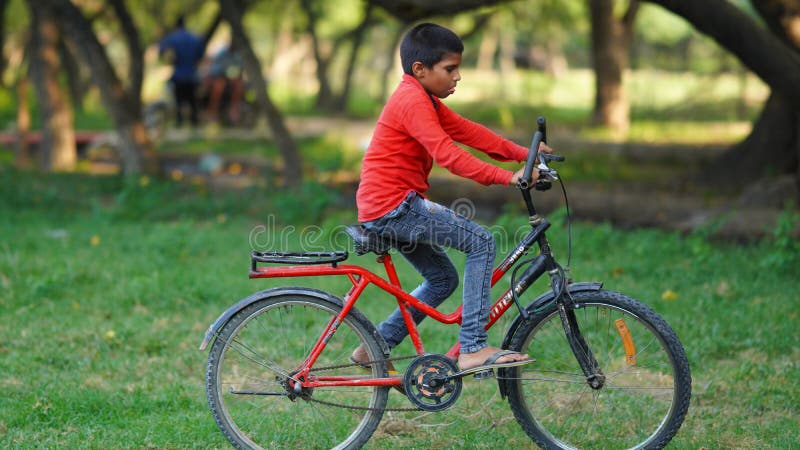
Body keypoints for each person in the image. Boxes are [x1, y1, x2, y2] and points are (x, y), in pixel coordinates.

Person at [351, 23, 552, 374]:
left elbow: (468, 132)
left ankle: (376, 345)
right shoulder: (412, 100)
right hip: (394, 207)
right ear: (420, 69)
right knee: (481, 242)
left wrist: (525, 153)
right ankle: (472, 347)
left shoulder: (420, 96)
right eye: (450, 69)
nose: (457, 77)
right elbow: (448, 155)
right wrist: (508, 177)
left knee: (443, 279)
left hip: (387, 206)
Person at [159, 16, 204, 127]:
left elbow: (161, 50)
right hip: (192, 74)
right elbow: (201, 54)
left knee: (179, 99)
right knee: (192, 99)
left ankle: (179, 121)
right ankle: (194, 121)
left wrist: (170, 60)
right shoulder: (194, 38)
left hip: (178, 73)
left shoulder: (172, 38)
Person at [205, 44, 245, 125]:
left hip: (233, 78)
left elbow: (241, 67)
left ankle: (234, 110)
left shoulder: (238, 55)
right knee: (219, 86)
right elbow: (215, 68)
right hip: (220, 77)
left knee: (239, 86)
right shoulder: (221, 53)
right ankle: (212, 111)